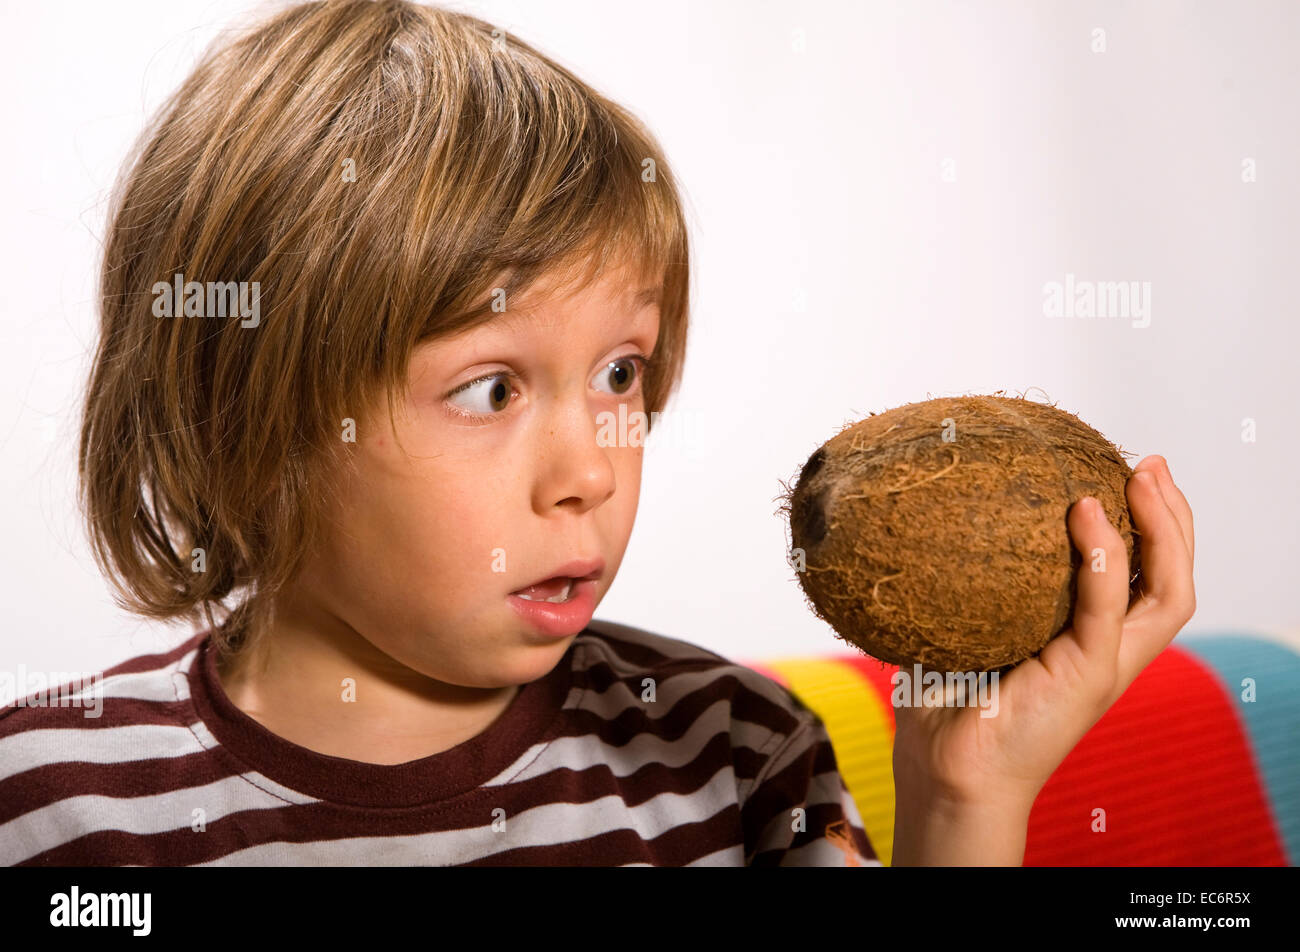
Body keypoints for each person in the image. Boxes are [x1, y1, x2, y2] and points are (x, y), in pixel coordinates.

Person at [0, 0, 1195, 867]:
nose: (588, 473)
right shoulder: (55, 806)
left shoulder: (739, 760)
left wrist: (962, 802)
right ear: (245, 421)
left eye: (620, 371)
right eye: (490, 389)